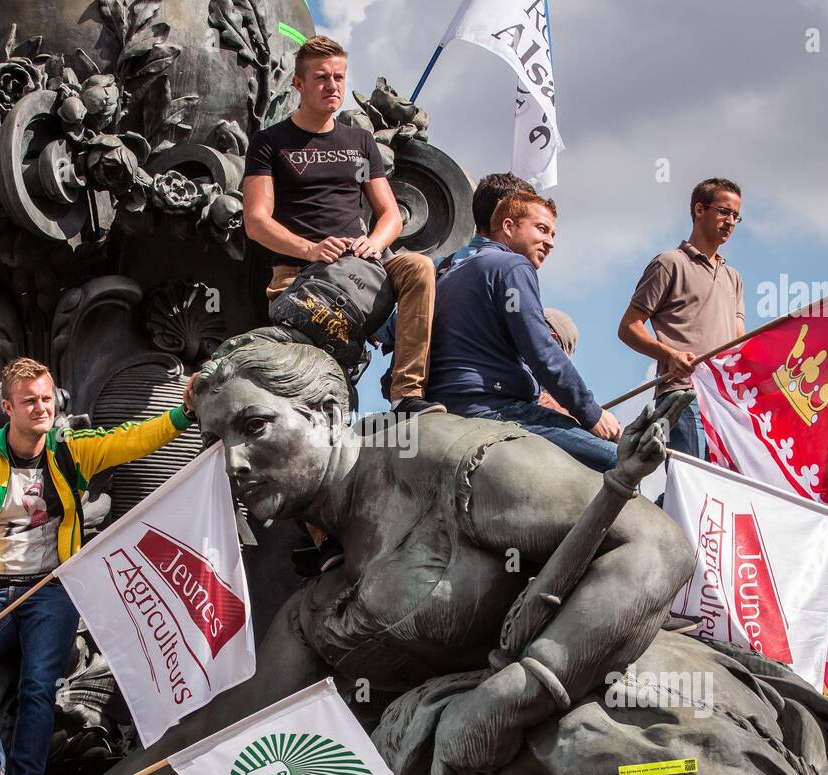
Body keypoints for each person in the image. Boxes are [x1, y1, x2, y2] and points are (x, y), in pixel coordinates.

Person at [38, 331, 828, 775]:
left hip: (611, 682)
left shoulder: (460, 461)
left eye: (254, 427)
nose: (229, 460)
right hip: (463, 766)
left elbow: (655, 544)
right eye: (211, 438)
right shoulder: (321, 603)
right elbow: (205, 742)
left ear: (332, 411)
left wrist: (521, 689)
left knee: (585, 759)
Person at [0, 357, 195, 775]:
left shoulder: (68, 450)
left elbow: (129, 440)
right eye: (30, 401)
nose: (41, 408)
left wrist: (182, 414)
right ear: (9, 408)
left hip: (51, 589)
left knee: (39, 682)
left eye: (46, 398)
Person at [242, 35, 443, 417]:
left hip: (362, 267)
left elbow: (390, 214)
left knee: (419, 266)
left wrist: (374, 241)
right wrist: (311, 249)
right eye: (321, 77)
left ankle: (405, 395)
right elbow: (255, 221)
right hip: (301, 275)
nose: (332, 86)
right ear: (298, 84)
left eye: (339, 77)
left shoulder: (359, 143)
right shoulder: (270, 143)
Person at [425, 191, 623, 472]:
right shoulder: (512, 266)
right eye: (541, 229)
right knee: (619, 461)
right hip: (494, 409)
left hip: (443, 407)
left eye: (553, 234)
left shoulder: (447, 272)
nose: (550, 242)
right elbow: (541, 351)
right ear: (508, 227)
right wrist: (592, 414)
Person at [617, 177, 746, 460]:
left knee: (721, 487)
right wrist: (671, 355)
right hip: (683, 395)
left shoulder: (733, 278)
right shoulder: (670, 263)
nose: (731, 221)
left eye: (736, 215)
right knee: (691, 480)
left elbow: (739, 344)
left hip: (725, 401)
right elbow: (628, 327)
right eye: (724, 211)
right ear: (700, 210)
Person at [375, 171, 534, 397]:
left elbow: (389, 329)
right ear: (505, 218)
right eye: (530, 219)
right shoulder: (505, 271)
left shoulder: (440, 267)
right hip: (485, 398)